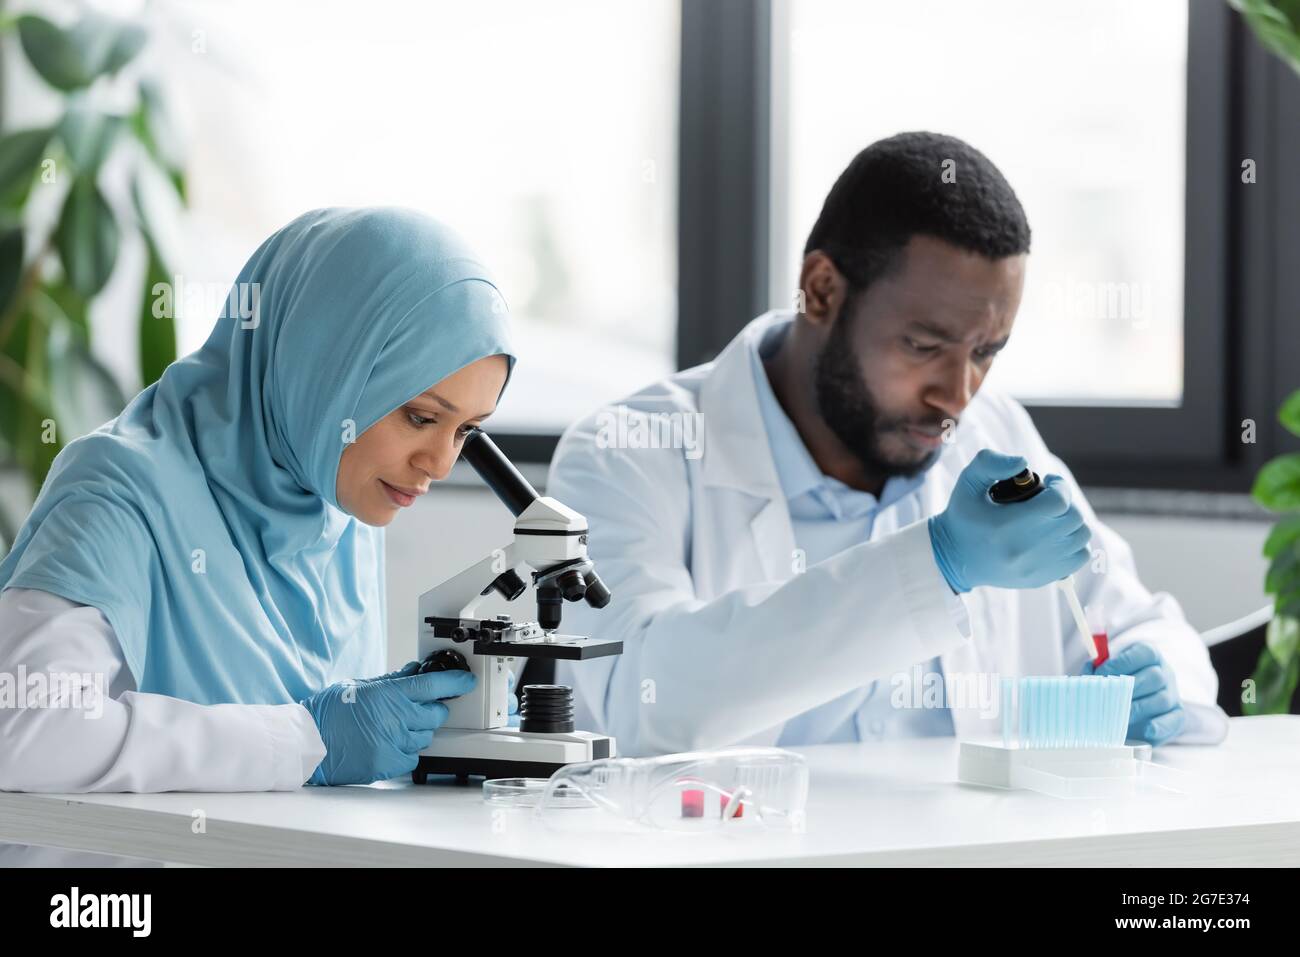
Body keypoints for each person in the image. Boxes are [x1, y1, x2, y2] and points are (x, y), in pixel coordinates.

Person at [549, 132, 1229, 757]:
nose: (957, 394)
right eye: (923, 345)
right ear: (822, 290)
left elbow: (1137, 619)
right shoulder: (627, 453)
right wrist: (935, 565)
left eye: (986, 352)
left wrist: (1159, 675)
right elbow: (640, 704)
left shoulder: (995, 431)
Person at [0, 207, 515, 863]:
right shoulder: (119, 488)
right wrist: (309, 737)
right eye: (420, 417)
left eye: (466, 430)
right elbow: (30, 730)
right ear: (323, 363)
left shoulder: (338, 507)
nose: (440, 463)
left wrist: (426, 734)